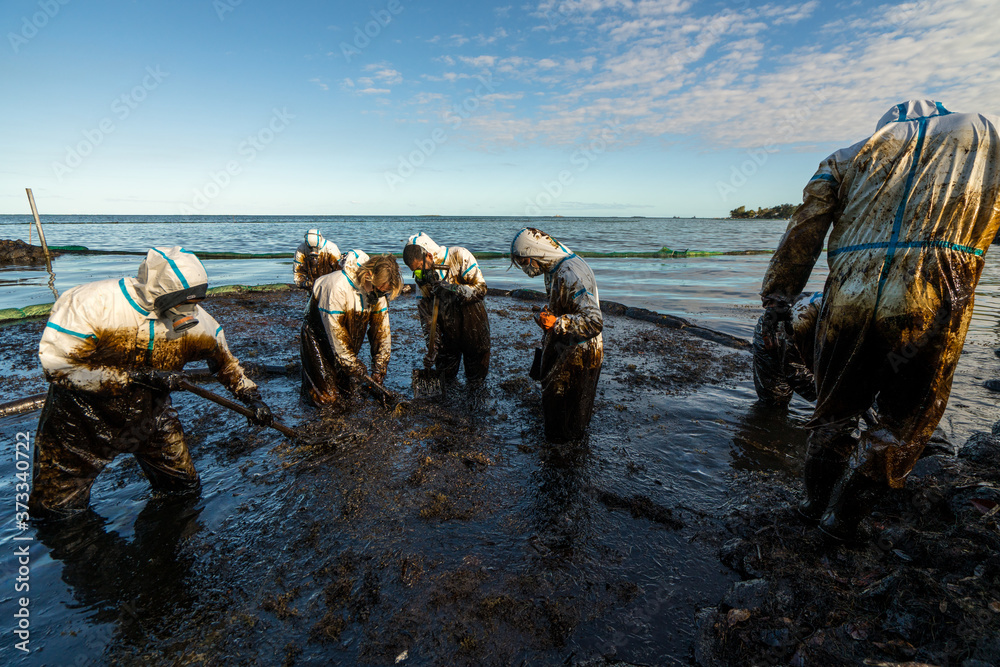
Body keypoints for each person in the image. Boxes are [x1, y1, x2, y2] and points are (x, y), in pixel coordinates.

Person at [760, 99, 1000, 540]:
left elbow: (804, 229)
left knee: (832, 416)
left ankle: (813, 507)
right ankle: (844, 517)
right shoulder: (986, 136)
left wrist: (777, 299)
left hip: (848, 296)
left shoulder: (847, 156)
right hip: (932, 296)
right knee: (904, 422)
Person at [30, 246, 273, 516]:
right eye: (181, 302)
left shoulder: (201, 325)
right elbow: (57, 366)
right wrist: (138, 377)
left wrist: (252, 398)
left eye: (195, 301)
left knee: (183, 490)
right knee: (56, 511)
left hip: (151, 417)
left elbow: (225, 364)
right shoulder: (93, 304)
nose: (190, 311)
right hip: (81, 418)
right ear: (158, 294)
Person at [510, 228, 603, 442]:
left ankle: (566, 460)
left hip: (579, 353)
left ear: (536, 253)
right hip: (570, 347)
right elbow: (570, 305)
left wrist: (557, 322)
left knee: (566, 420)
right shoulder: (557, 268)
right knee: (567, 414)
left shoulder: (569, 273)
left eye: (524, 262)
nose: (525, 269)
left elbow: (594, 321)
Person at [300, 253, 402, 406]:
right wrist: (354, 366)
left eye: (383, 293)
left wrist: (379, 369)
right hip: (317, 337)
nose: (379, 296)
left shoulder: (377, 293)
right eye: (378, 291)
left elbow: (382, 333)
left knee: (346, 391)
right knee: (326, 398)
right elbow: (336, 333)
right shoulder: (337, 288)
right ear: (368, 276)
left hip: (347, 338)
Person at [403, 232, 490, 384]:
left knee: (476, 379)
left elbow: (481, 290)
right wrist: (432, 348)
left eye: (420, 268)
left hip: (473, 325)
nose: (420, 274)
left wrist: (453, 289)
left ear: (429, 256)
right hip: (448, 332)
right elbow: (427, 317)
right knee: (445, 377)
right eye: (415, 271)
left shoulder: (459, 256)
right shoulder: (423, 280)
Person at [752, 291, 821, 407]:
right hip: (773, 332)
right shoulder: (792, 326)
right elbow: (796, 377)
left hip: (809, 332)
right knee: (775, 400)